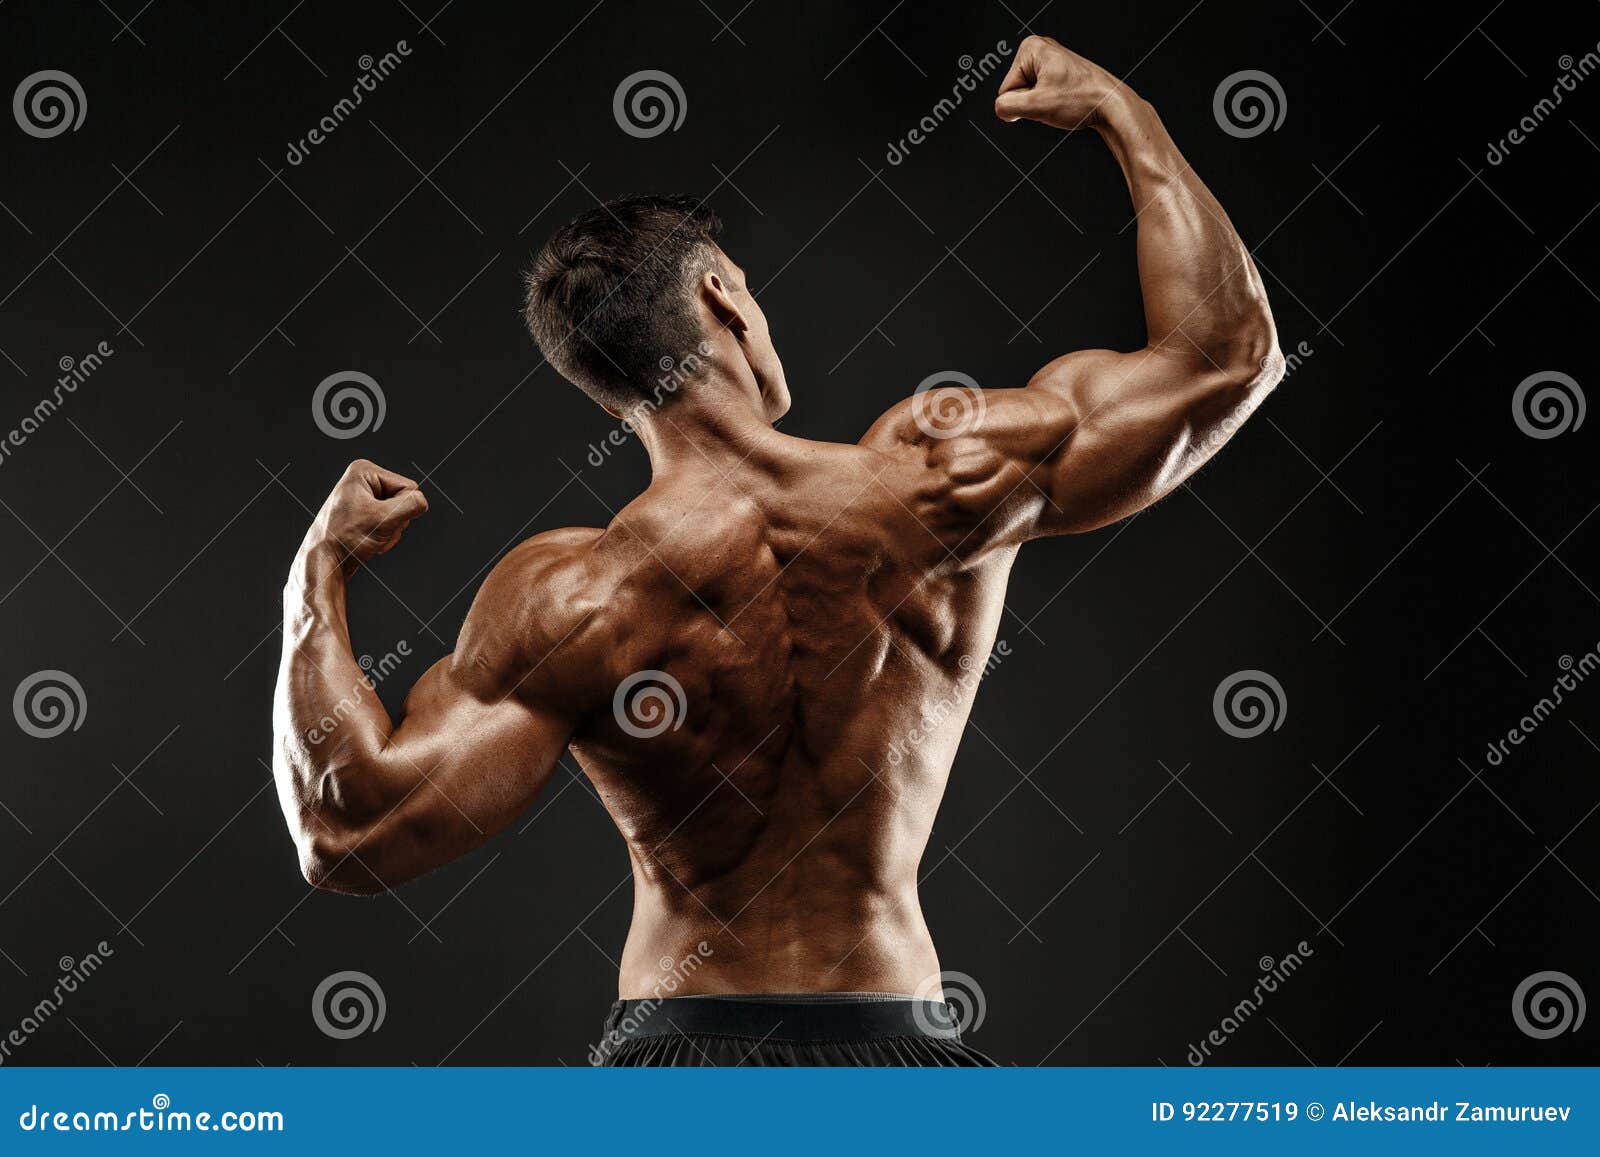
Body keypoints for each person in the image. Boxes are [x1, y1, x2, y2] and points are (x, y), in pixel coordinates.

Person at [272, 35, 1281, 1066]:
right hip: (898, 1048)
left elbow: (349, 834)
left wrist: (317, 576)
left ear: (607, 384)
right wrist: (1123, 114)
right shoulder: (941, 478)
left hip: (682, 1055)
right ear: (721, 296)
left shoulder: (576, 594)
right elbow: (1226, 359)